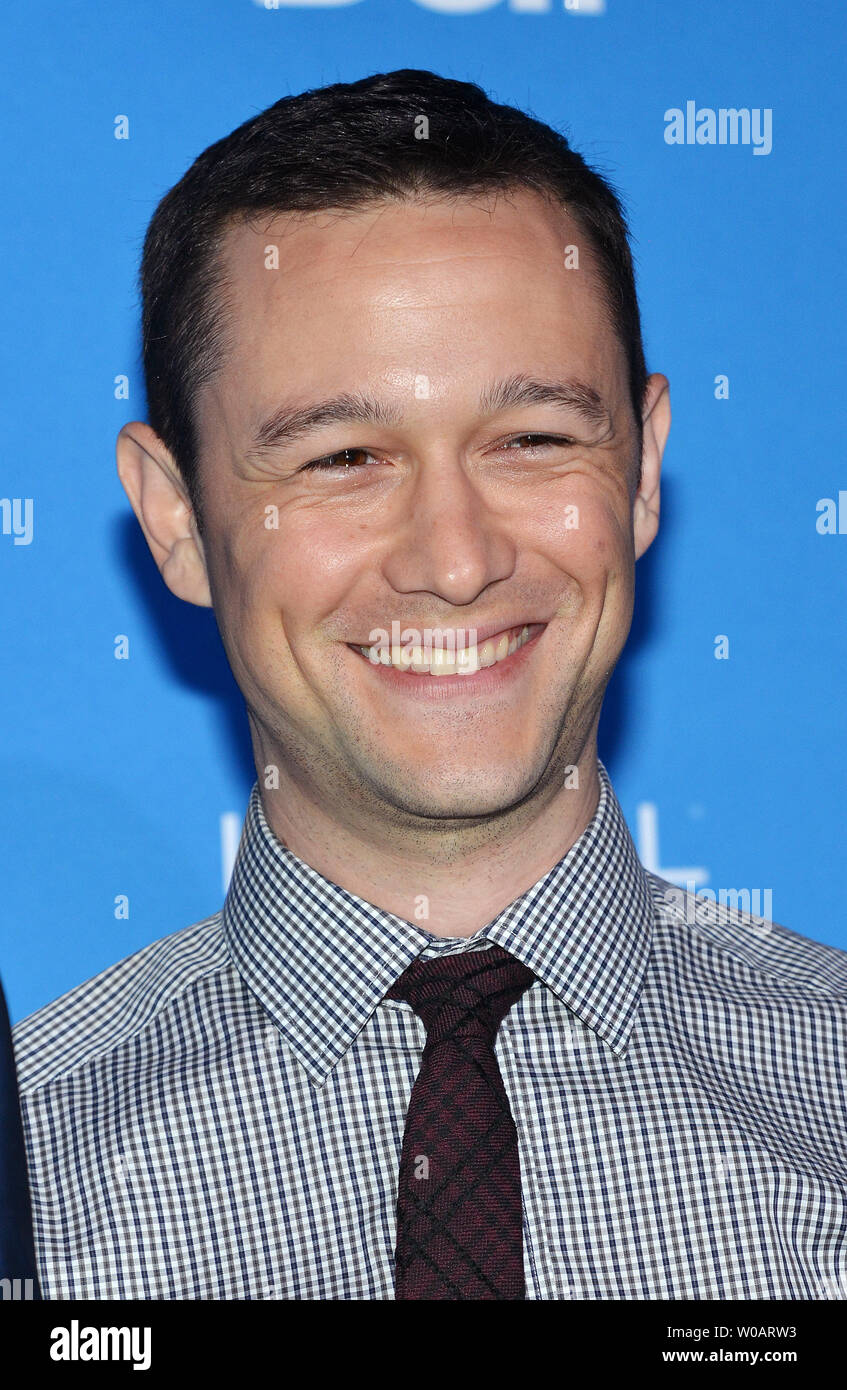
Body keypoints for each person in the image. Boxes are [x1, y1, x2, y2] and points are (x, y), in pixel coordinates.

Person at [12, 68, 847, 1301]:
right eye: (345, 458)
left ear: (644, 470)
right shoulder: (28, 1169)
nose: (456, 561)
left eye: (532, 440)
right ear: (178, 520)